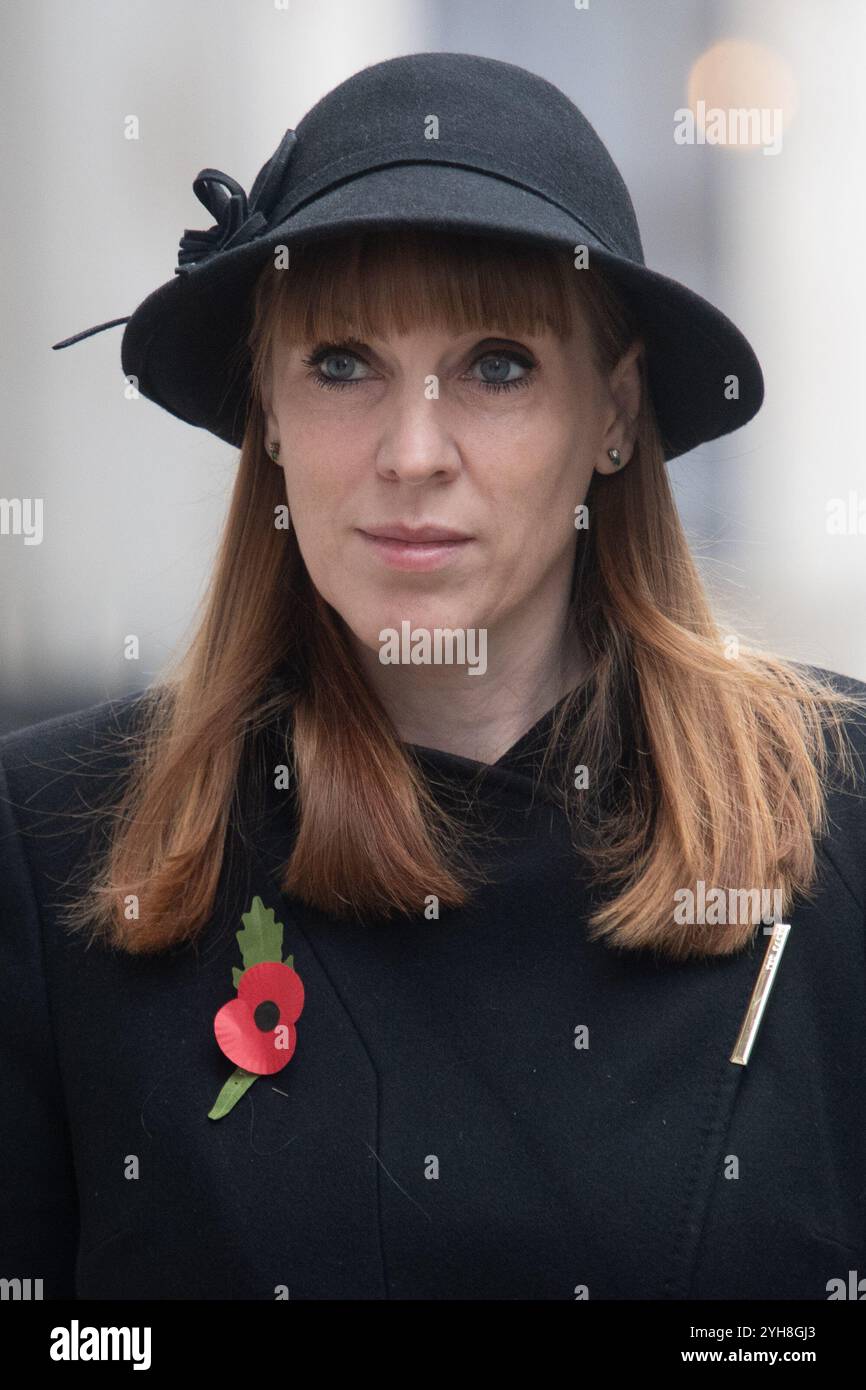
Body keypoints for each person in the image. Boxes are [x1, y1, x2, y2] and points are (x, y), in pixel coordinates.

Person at [2, 51, 865, 1302]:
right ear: (270, 410)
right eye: (342, 363)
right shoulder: (53, 849)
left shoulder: (836, 809)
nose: (413, 452)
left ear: (613, 412)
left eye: (496, 365)